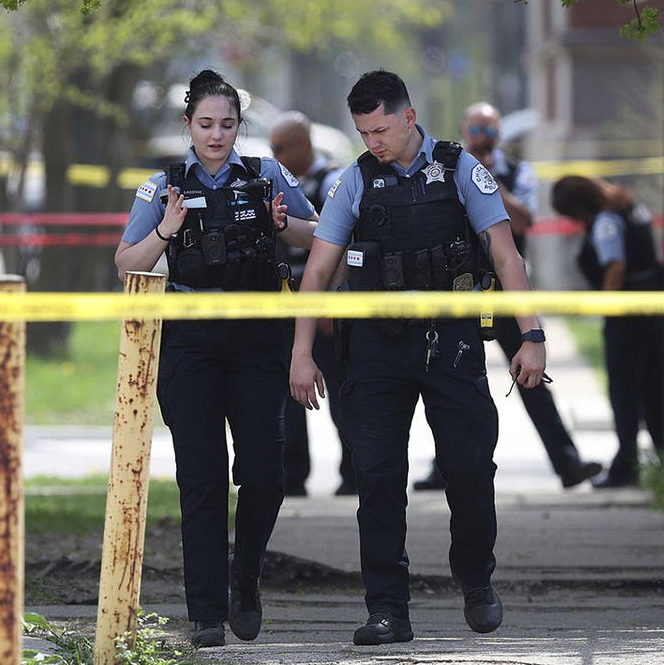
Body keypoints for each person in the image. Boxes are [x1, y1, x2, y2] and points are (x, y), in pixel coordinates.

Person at [289, 71, 547, 646]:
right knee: (377, 476)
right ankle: (387, 608)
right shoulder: (353, 180)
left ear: (409, 116)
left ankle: (477, 582)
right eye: (363, 132)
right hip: (377, 345)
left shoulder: (460, 170)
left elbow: (505, 256)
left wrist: (531, 334)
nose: (373, 142)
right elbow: (319, 270)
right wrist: (302, 352)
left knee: (470, 467)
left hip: (451, 337)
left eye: (381, 128)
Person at [114, 70, 318, 648]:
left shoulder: (266, 174)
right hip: (190, 341)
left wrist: (287, 225)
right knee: (200, 479)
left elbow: (317, 232)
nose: (217, 135)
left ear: (239, 127)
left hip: (256, 338)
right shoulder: (164, 187)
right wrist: (167, 230)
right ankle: (205, 610)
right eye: (205, 124)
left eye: (227, 125)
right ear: (188, 126)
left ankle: (244, 579)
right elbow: (127, 261)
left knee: (265, 472)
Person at [413, 102, 601, 491]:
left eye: (489, 130)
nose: (482, 138)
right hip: (464, 289)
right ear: (465, 130)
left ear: (499, 132)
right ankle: (441, 469)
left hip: (508, 290)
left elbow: (524, 220)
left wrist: (487, 185)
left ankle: (567, 463)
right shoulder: (446, 170)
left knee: (531, 377)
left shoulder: (518, 172)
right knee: (451, 379)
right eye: (476, 130)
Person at [550, 175, 664, 488]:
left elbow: (615, 266)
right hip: (650, 309)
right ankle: (662, 461)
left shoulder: (605, 223)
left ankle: (626, 467)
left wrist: (606, 304)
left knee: (624, 392)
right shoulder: (629, 208)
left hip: (627, 317)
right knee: (651, 388)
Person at [269, 111, 355, 497]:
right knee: (290, 393)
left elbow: (343, 246)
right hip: (288, 305)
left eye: (279, 148)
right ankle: (293, 475)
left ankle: (354, 474)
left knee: (341, 393)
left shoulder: (333, 181)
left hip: (325, 307)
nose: (274, 156)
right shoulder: (277, 185)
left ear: (302, 145)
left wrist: (328, 304)